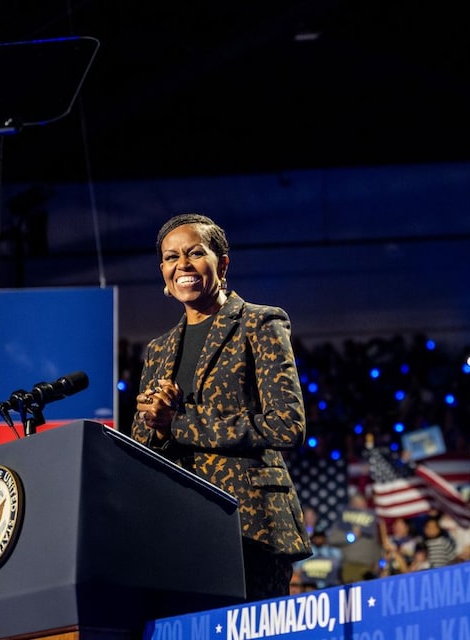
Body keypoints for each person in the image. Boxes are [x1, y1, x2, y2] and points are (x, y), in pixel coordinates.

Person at [131, 212, 312, 602]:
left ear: (222, 263)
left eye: (195, 253)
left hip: (251, 526)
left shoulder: (260, 324)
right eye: (170, 256)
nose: (182, 265)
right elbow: (142, 444)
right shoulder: (157, 350)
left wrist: (180, 422)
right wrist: (159, 428)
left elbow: (287, 425)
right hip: (180, 527)